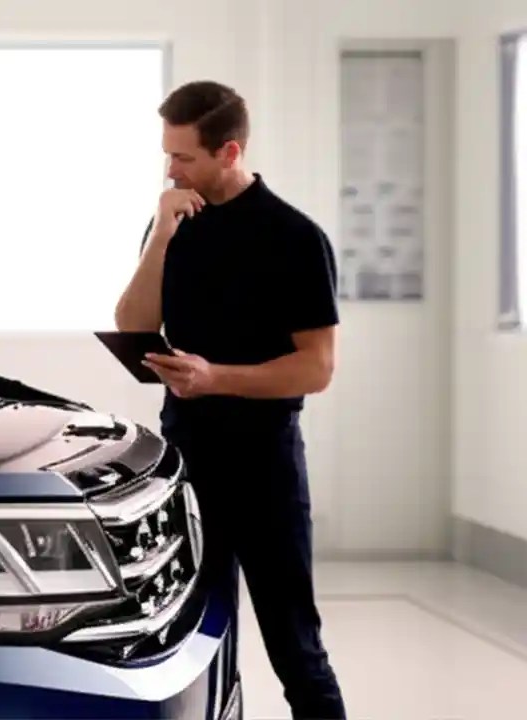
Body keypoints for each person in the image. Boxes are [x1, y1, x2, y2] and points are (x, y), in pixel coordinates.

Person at [114, 80, 347, 720]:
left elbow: (317, 367)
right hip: (186, 461)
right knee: (190, 643)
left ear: (230, 151)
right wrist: (161, 236)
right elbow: (134, 324)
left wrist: (213, 377)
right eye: (167, 154)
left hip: (265, 466)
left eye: (183, 157)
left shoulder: (295, 238)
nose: (171, 170)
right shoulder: (173, 223)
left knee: (295, 647)